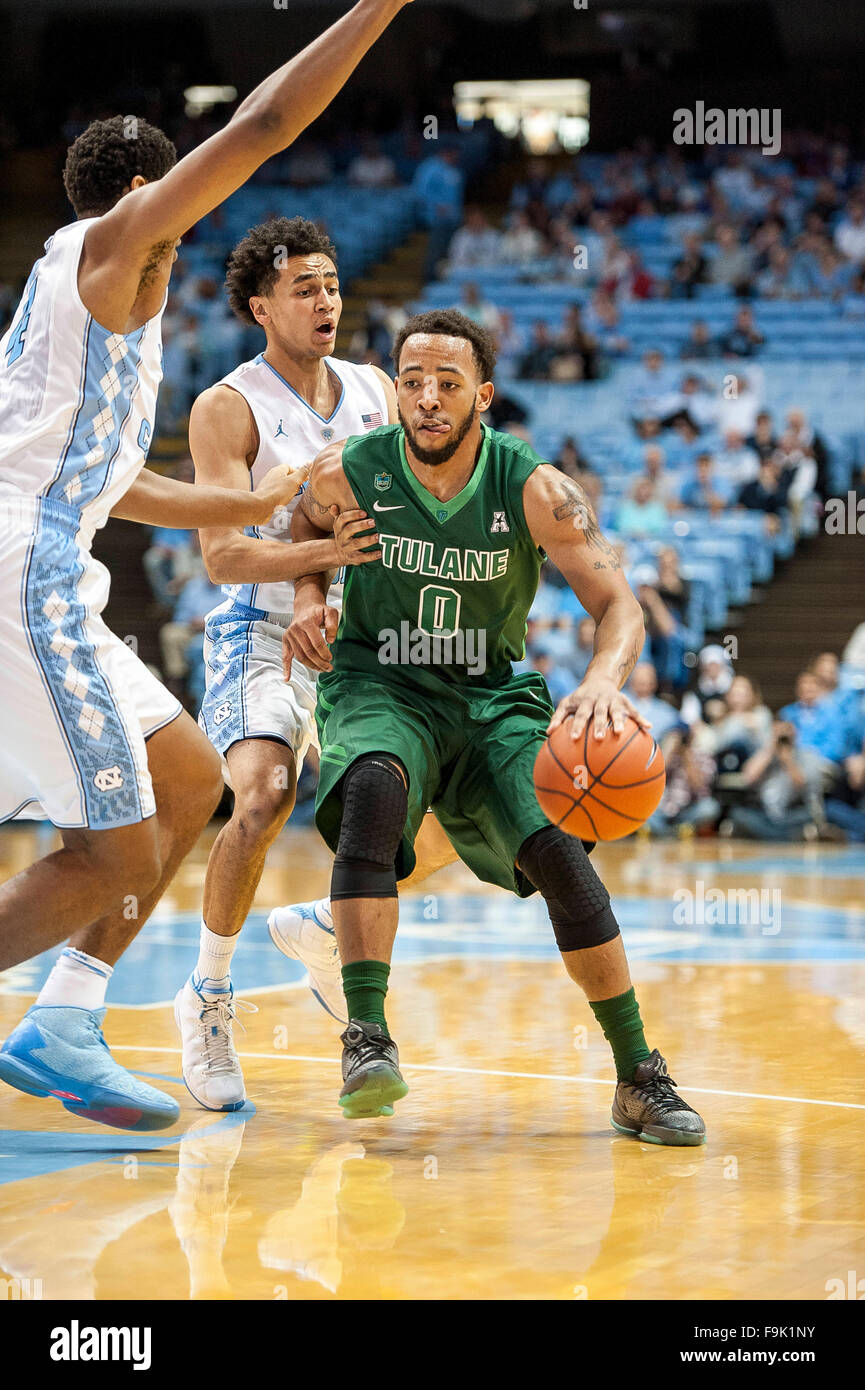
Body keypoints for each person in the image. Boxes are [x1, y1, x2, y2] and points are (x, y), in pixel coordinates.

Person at [0, 0, 413, 1132]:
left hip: (48, 558)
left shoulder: (82, 306)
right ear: (151, 198)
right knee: (110, 848)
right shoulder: (116, 248)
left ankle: (65, 1017)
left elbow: (110, 484)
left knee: (189, 782)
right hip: (19, 572)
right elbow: (270, 119)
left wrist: (246, 498)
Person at [282, 308, 706, 1145]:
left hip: (489, 694)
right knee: (371, 789)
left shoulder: (535, 488)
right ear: (395, 392)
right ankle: (366, 1036)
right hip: (379, 681)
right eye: (411, 383)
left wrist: (599, 684)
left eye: (446, 384)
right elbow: (301, 525)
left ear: (482, 393)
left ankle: (637, 1076)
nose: (427, 399)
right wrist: (307, 598)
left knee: (557, 849)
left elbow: (617, 602)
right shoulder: (350, 471)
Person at [176, 215, 454, 1110]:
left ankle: (325, 930)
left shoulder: (375, 387)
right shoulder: (228, 407)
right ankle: (209, 993)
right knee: (261, 794)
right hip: (260, 627)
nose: (326, 299)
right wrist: (316, 569)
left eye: (332, 283)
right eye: (305, 287)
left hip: (365, 638)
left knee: (463, 794)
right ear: (261, 306)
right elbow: (220, 556)